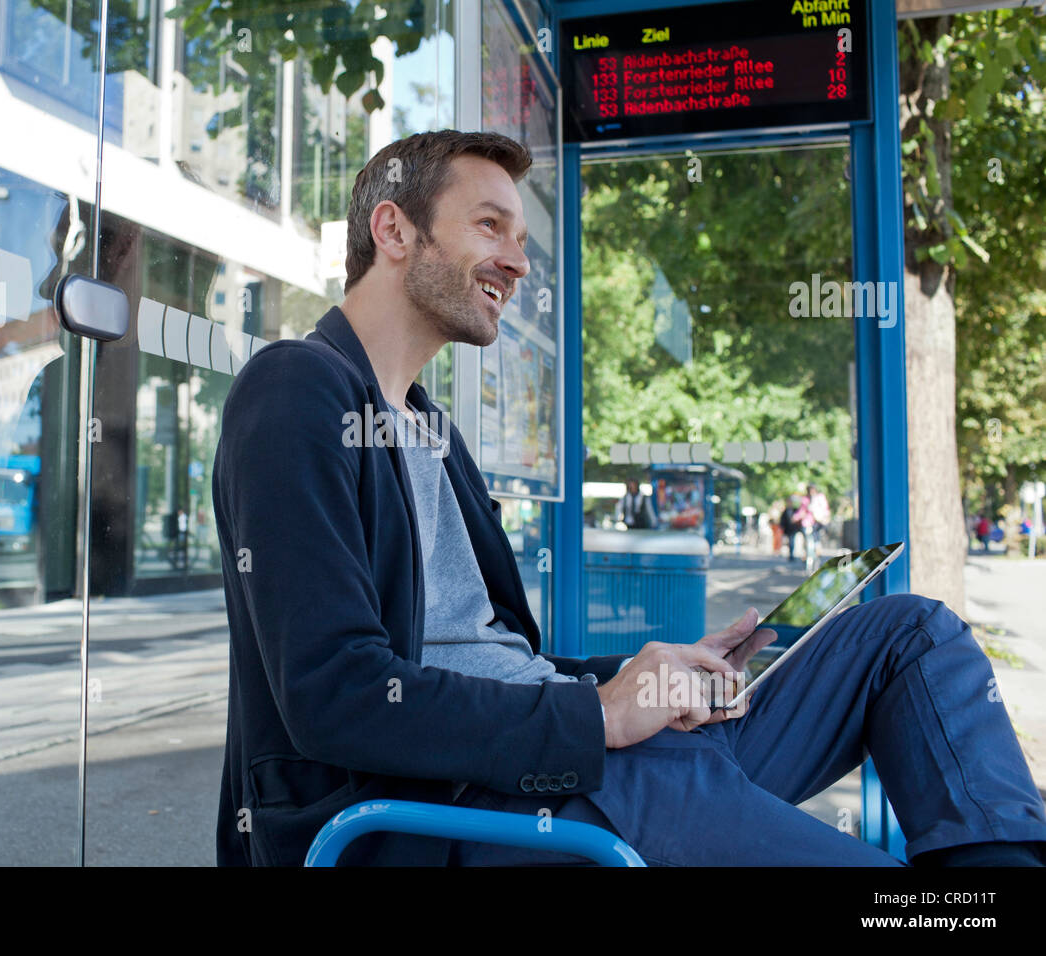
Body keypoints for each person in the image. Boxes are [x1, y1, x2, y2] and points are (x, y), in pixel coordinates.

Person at [212, 130, 1046, 867]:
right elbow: (336, 696)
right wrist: (599, 717)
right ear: (394, 229)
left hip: (574, 766)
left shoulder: (431, 431)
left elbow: (506, 663)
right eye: (489, 224)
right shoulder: (295, 391)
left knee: (909, 633)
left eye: (521, 234)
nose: (517, 258)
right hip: (437, 808)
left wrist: (654, 675)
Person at [780, 495, 800, 562]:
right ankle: (790, 554)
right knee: (789, 542)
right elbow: (782, 520)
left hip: (793, 529)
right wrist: (782, 527)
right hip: (787, 529)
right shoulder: (785, 511)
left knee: (792, 542)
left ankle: (791, 555)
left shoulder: (795, 510)